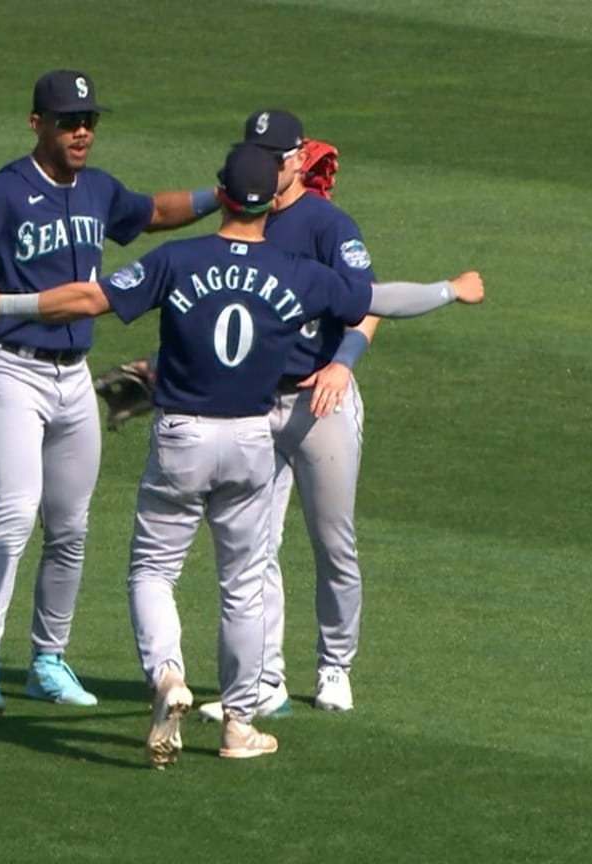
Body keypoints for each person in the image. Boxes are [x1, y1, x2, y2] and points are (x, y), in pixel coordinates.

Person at [0, 142, 485, 765]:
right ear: (271, 201)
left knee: (153, 572)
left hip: (182, 438)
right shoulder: (296, 272)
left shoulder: (178, 259)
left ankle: (168, 674)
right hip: (251, 441)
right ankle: (240, 724)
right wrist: (451, 289)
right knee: (244, 585)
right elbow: (379, 299)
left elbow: (87, 299)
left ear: (222, 194)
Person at [0, 69, 219, 716]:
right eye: (68, 122)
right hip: (9, 370)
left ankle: (48, 661)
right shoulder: (4, 189)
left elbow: (152, 213)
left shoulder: (98, 189)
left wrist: (220, 197)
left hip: (75, 377)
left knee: (71, 528)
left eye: (89, 121)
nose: (82, 132)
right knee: (14, 513)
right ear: (38, 124)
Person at [197, 110, 480, 722]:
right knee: (253, 547)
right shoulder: (241, 220)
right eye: (256, 154)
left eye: (276, 157)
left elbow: (367, 304)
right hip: (253, 405)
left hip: (318, 404)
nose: (265, 166)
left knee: (332, 542)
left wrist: (342, 365)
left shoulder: (328, 225)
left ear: (299, 160)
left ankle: (335, 665)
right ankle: (262, 681)